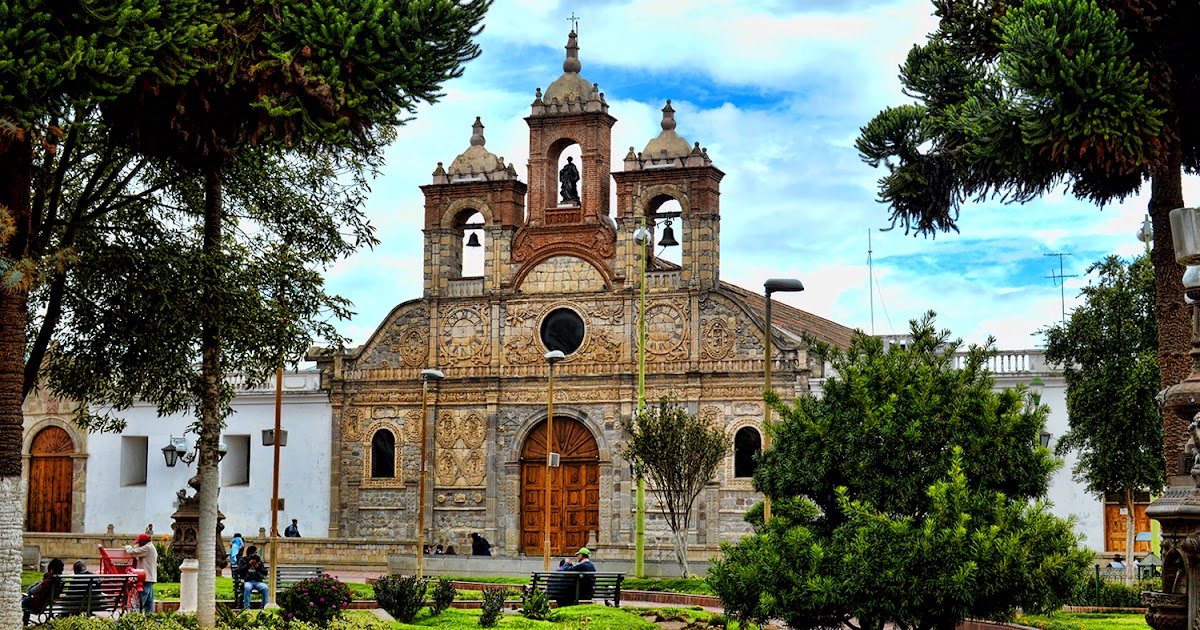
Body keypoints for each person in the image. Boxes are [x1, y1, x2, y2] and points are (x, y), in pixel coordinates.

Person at [23, 558, 64, 625]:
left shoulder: (46, 582)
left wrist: (40, 582)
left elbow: (31, 591)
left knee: (25, 600)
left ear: (51, 570)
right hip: (49, 605)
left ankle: (25, 623)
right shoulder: (62, 582)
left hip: (37, 604)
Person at [125, 533, 157, 613]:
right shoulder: (150, 547)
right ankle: (148, 616)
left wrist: (127, 547)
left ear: (144, 541)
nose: (139, 544)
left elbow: (132, 552)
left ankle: (135, 615)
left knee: (141, 600)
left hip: (145, 577)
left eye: (140, 542)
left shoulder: (147, 548)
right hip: (149, 577)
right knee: (149, 602)